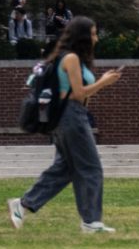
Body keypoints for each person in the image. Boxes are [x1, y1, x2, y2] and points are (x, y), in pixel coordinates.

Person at [7, 17, 122, 235]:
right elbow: (78, 94)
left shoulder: (75, 58)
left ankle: (23, 204)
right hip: (71, 116)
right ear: (83, 36)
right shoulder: (70, 58)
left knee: (66, 169)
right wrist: (104, 82)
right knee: (91, 168)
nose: (96, 38)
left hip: (71, 116)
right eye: (94, 33)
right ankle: (91, 222)